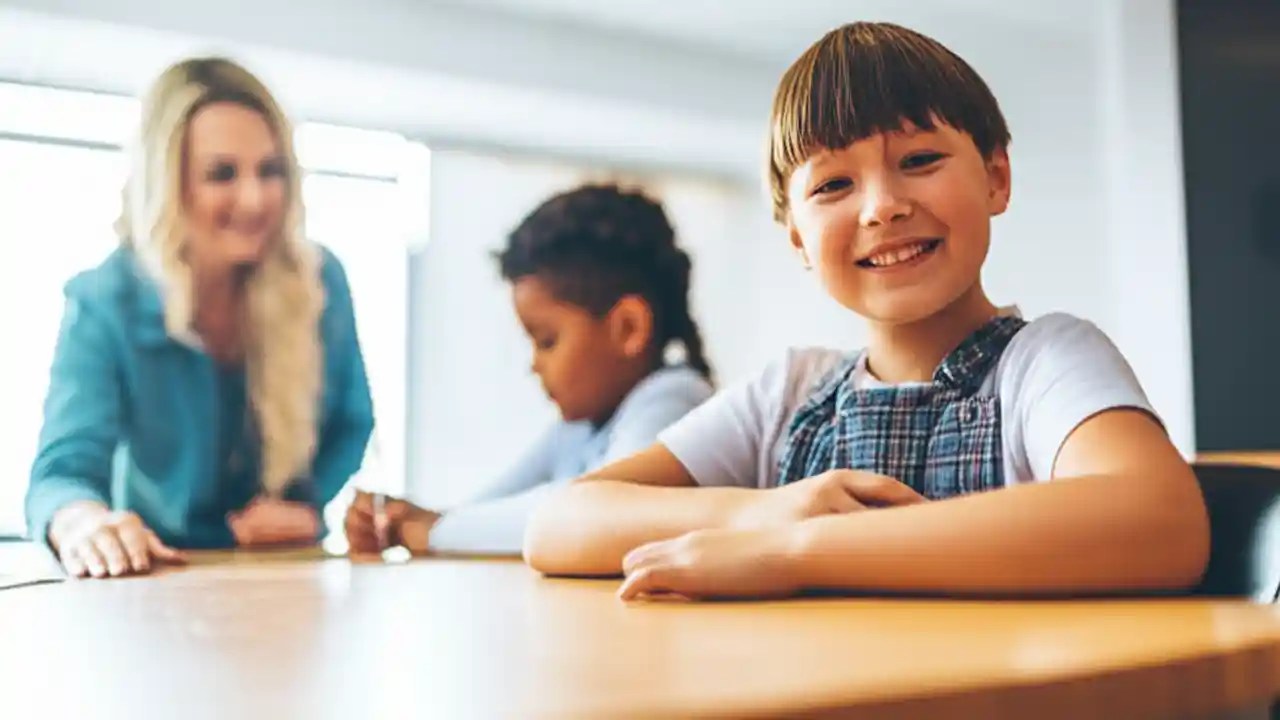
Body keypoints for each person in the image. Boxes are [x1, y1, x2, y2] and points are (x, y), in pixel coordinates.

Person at [523, 22, 1210, 601]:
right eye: (833, 185)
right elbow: (557, 524)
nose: (882, 206)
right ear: (797, 237)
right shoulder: (785, 395)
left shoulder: (1047, 361)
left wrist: (797, 551)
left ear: (996, 178)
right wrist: (765, 513)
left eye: (920, 158)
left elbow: (1160, 520)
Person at [25, 57, 374, 578]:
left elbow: (351, 423)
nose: (254, 198)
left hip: (287, 571)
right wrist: (83, 523)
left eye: (270, 170)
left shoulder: (320, 281)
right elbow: (62, 472)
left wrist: (305, 505)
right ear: (168, 183)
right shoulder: (105, 301)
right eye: (221, 174)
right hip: (161, 575)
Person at [345, 184, 714, 556]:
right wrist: (405, 520)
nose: (534, 364)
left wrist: (434, 532)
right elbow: (485, 513)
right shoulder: (577, 430)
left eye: (547, 341)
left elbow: (599, 513)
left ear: (628, 328)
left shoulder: (675, 400)